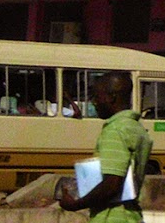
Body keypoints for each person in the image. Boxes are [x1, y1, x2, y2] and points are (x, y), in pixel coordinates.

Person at [58, 73, 152, 223]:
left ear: (111, 97)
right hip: (131, 215)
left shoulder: (115, 130)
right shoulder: (135, 128)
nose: (94, 102)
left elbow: (112, 185)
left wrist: (75, 204)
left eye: (96, 96)